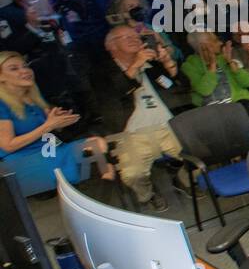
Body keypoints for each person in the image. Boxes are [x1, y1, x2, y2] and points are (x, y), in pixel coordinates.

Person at [102, 24, 188, 212]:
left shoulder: (151, 66)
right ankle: (147, 194)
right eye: (126, 37)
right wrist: (135, 66)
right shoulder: (103, 73)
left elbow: (177, 88)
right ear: (111, 46)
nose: (135, 39)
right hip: (132, 134)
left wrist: (167, 63)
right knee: (132, 175)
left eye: (136, 36)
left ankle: (178, 177)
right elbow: (114, 95)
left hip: (167, 125)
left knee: (194, 154)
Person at [0, 52, 113, 196]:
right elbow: (8, 145)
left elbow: (47, 130)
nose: (25, 71)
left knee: (99, 145)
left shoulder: (32, 97)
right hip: (25, 163)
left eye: (25, 66)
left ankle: (96, 200)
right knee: (101, 167)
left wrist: (59, 123)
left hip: (50, 150)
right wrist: (48, 125)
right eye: (14, 68)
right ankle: (96, 202)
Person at [180, 29, 249, 120]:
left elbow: (248, 82)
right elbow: (205, 90)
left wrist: (231, 63)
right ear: (204, 46)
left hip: (239, 103)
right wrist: (212, 65)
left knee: (246, 108)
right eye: (215, 40)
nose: (220, 43)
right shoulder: (189, 66)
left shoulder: (224, 58)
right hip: (212, 110)